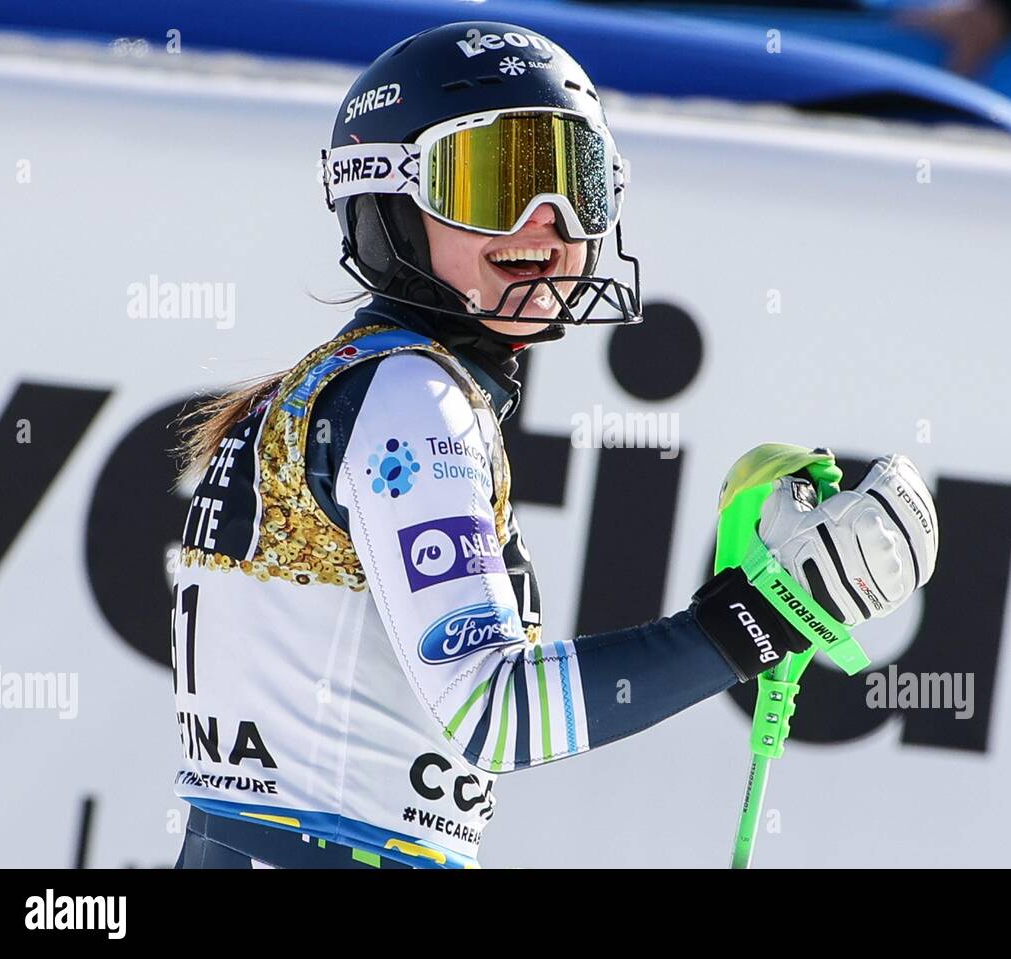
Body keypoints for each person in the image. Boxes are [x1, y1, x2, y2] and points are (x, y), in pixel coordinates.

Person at [170, 19, 939, 869]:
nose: (549, 224)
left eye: (578, 182)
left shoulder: (339, 385)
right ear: (385, 201)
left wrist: (752, 614)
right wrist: (758, 618)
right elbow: (495, 711)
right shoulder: (410, 399)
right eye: (494, 181)